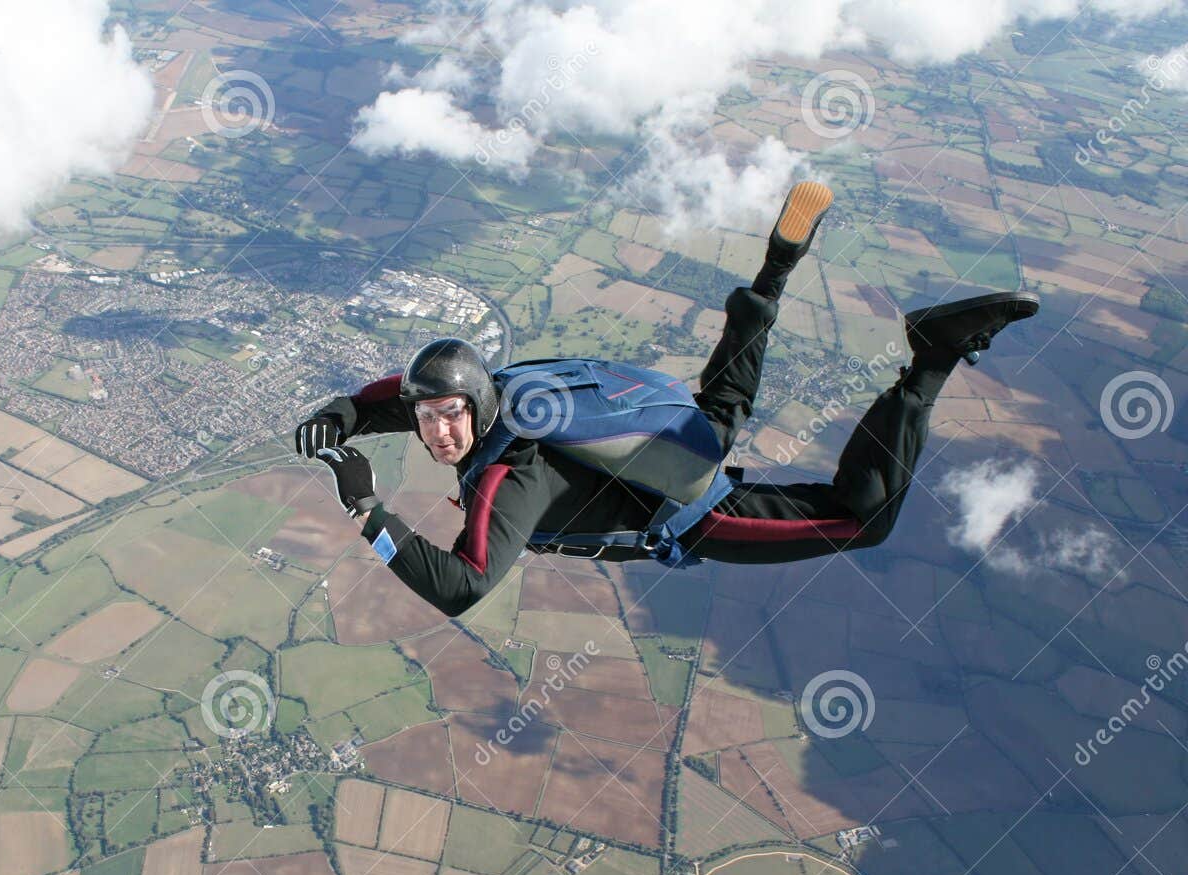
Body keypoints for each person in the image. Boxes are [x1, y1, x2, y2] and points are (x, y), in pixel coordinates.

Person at [293, 181, 1040, 617]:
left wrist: (368, 512)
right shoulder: (505, 390)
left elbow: (464, 586)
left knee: (860, 520)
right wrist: (349, 412)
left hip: (695, 512)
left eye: (448, 419)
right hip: (669, 442)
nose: (436, 435)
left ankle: (929, 364)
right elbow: (416, 392)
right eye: (426, 422)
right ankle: (774, 275)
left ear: (477, 410)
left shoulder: (502, 477)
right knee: (719, 415)